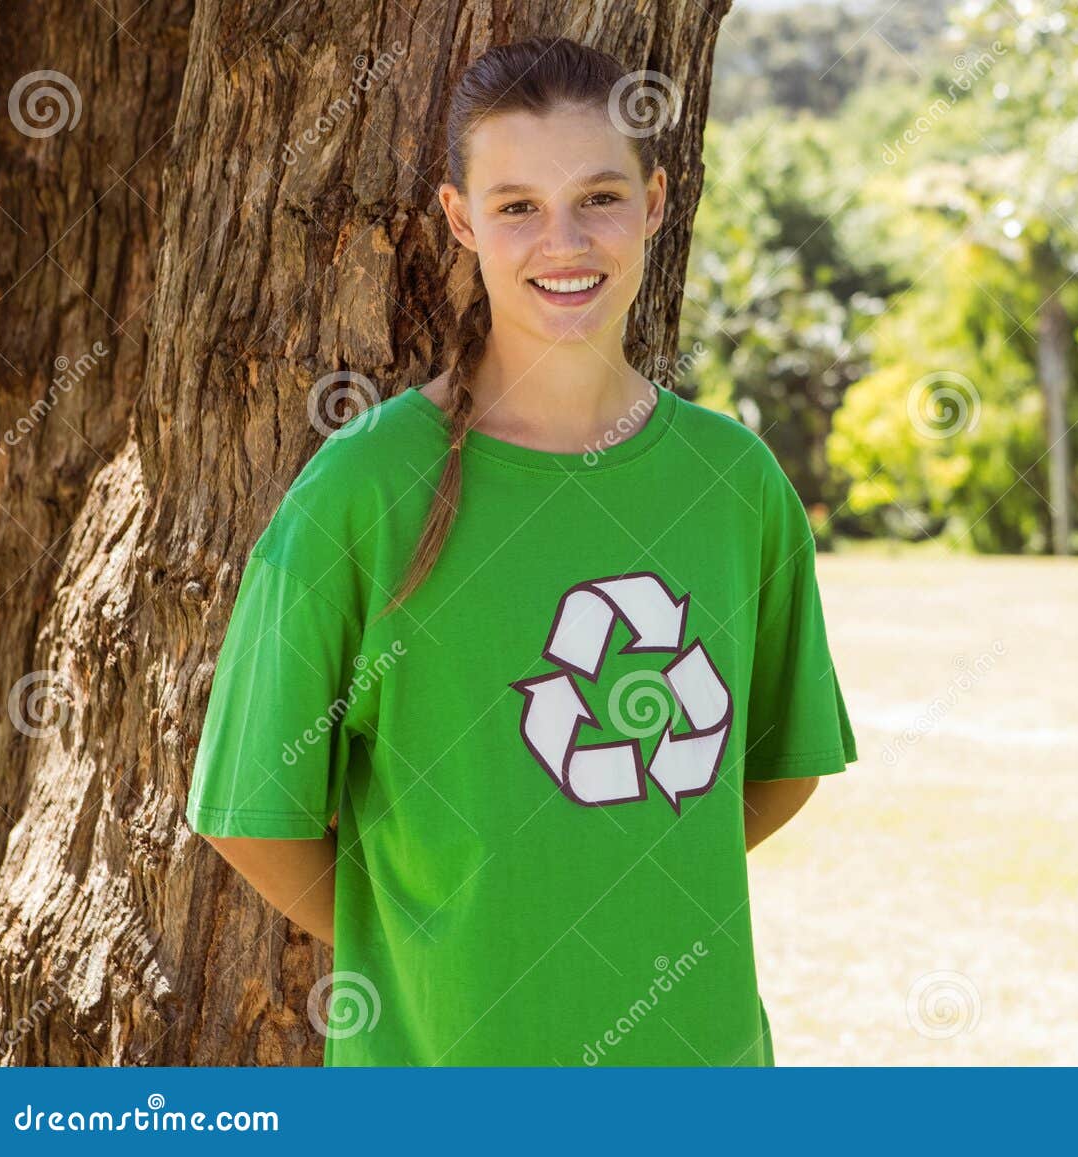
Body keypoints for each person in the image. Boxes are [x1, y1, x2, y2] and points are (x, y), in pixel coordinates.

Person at [182, 36, 858, 1067]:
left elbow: (776, 767)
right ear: (461, 220)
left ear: (657, 200)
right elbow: (250, 812)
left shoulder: (735, 483)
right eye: (516, 207)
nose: (564, 240)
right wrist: (427, 934)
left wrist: (619, 887)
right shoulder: (364, 487)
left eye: (598, 196)